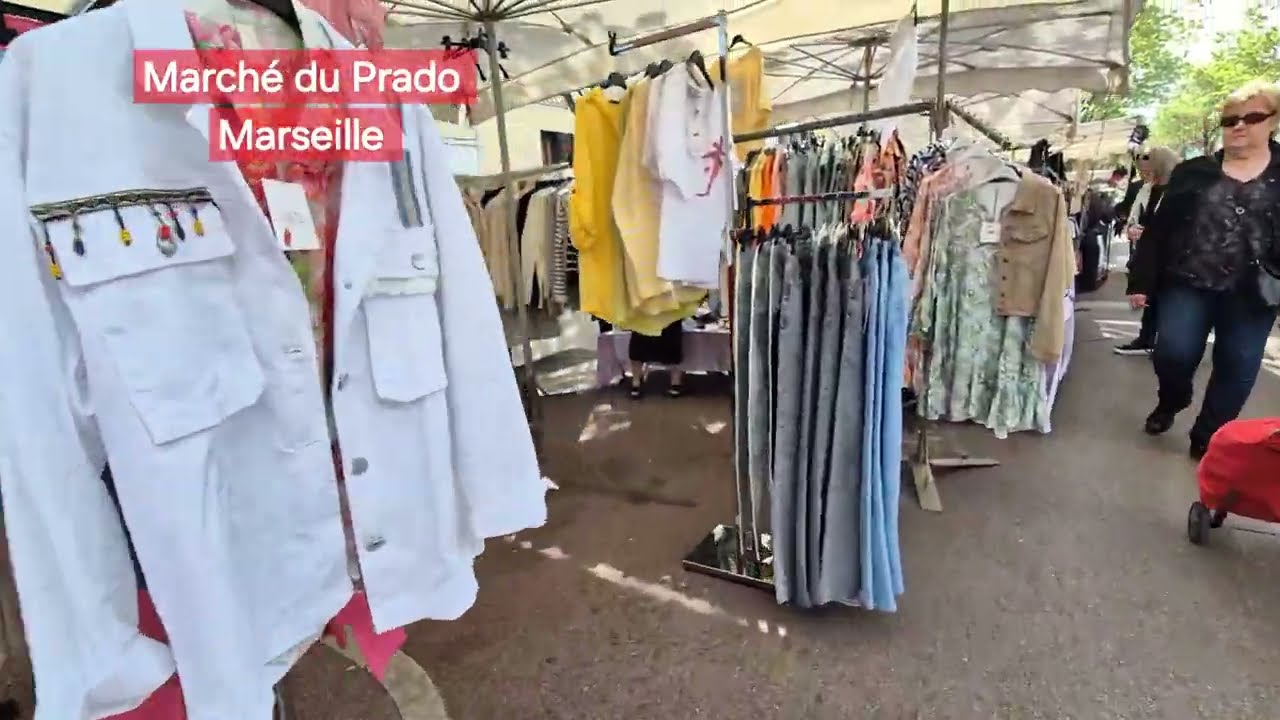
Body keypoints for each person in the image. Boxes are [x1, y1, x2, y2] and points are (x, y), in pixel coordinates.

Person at [1126, 79, 1280, 460]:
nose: (1239, 125)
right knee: (1172, 354)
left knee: (1239, 366)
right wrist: (1141, 280)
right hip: (1188, 282)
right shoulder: (1193, 172)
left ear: (1273, 122)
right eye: (1230, 120)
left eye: (1252, 117)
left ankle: (1207, 434)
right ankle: (1173, 400)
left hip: (1254, 292)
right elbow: (1159, 230)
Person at [1114, 146, 1181, 355]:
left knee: (1165, 299)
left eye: (1148, 168)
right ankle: (1148, 339)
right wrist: (1132, 226)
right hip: (1148, 251)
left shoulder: (1178, 191)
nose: (1145, 173)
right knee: (1150, 297)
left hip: (1171, 255)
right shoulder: (1146, 189)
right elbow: (1135, 212)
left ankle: (1163, 343)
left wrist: (1149, 232)